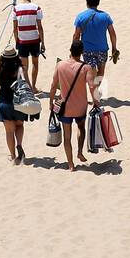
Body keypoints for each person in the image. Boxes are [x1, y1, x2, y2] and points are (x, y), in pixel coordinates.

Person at [49, 40, 98, 171]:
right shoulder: (85, 67)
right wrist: (96, 101)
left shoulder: (60, 65)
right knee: (81, 128)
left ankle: (70, 164)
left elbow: (53, 86)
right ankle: (80, 152)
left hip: (65, 108)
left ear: (70, 50)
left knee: (67, 136)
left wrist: (50, 102)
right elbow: (92, 86)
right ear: (81, 52)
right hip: (80, 106)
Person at [0, 47, 29, 164]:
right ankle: (19, 144)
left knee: (9, 132)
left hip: (4, 103)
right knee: (20, 126)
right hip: (19, 103)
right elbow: (26, 85)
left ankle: (12, 155)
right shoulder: (20, 69)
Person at [73, 0, 118, 89]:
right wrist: (114, 48)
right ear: (98, 2)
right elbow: (112, 34)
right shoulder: (105, 16)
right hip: (102, 49)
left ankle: (93, 92)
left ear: (87, 2)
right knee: (101, 72)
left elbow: (76, 35)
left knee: (91, 72)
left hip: (87, 50)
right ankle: (95, 91)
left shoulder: (81, 16)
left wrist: (74, 48)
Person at [13, 0, 45, 91]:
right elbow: (40, 27)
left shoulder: (16, 9)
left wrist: (17, 41)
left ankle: (28, 87)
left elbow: (15, 28)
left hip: (22, 41)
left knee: (24, 66)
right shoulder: (37, 8)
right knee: (35, 64)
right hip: (35, 40)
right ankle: (33, 87)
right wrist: (43, 43)